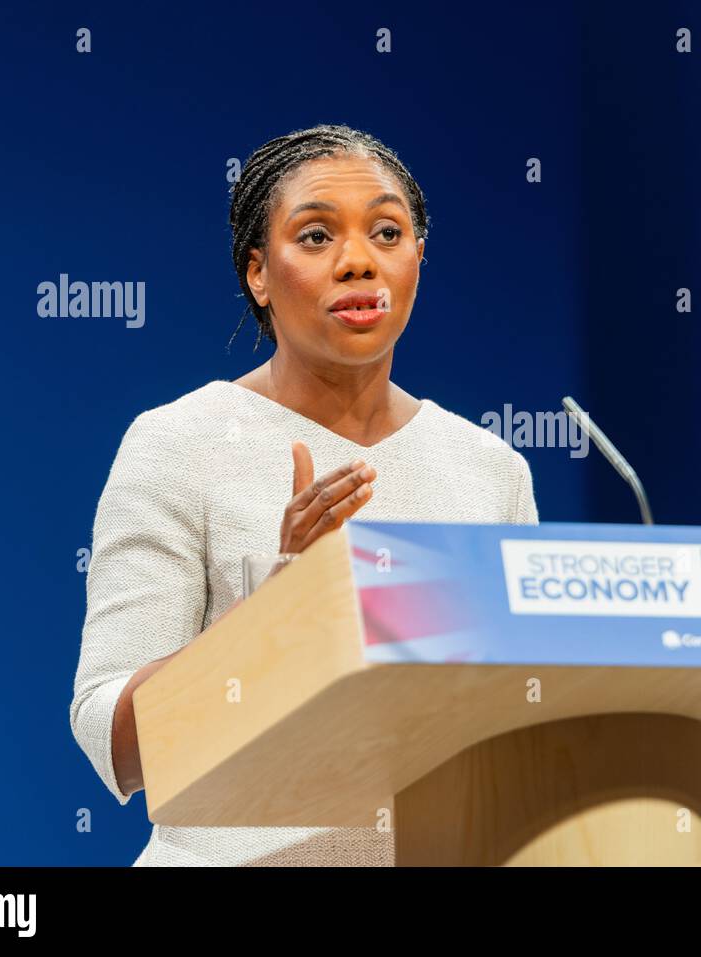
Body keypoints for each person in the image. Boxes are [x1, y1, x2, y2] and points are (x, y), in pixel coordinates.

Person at [69, 124, 539, 866]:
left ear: (418, 258)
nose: (358, 261)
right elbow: (116, 743)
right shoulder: (176, 444)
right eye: (316, 236)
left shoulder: (490, 469)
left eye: (387, 231)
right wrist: (278, 621)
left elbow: (523, 727)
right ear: (259, 273)